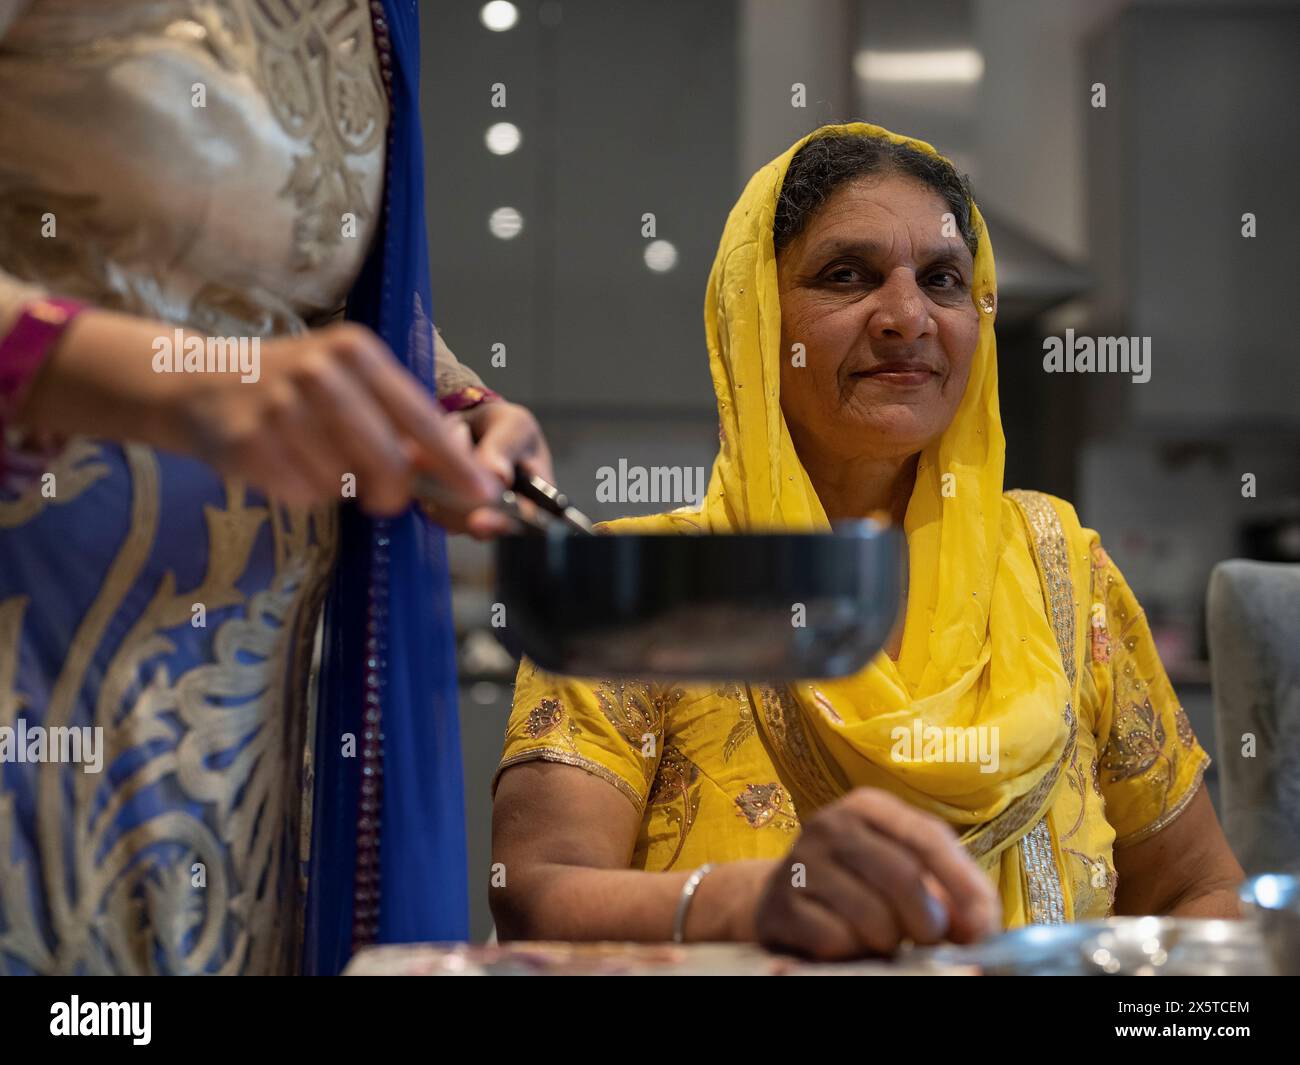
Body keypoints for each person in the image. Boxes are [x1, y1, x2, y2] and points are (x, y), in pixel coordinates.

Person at [490, 123, 1244, 959]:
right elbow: (535, 893)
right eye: (847, 275)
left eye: (943, 280)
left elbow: (1195, 888)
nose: (906, 316)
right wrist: (745, 902)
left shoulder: (1063, 569)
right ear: (758, 316)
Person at [0, 0, 548, 974]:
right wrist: (167, 379)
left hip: (255, 689)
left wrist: (448, 408)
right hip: (37, 637)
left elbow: (307, 294)